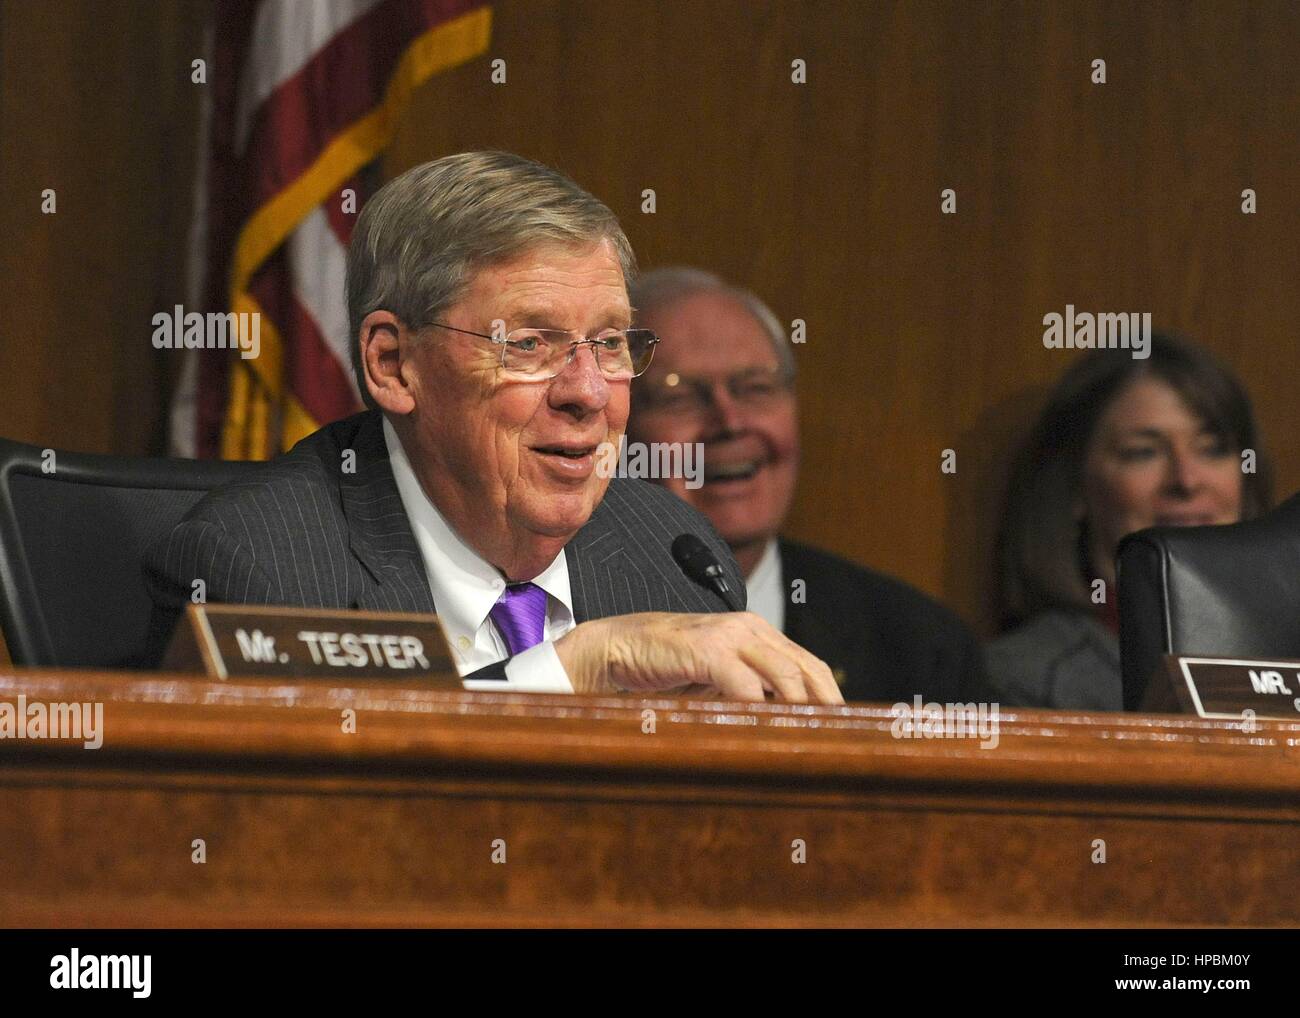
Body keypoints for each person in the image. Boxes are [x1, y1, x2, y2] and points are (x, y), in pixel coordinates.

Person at [143, 152, 841, 705]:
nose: (589, 394)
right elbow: (317, 823)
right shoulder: (260, 562)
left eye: (610, 344)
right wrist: (569, 671)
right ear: (393, 364)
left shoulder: (669, 554)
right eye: (529, 345)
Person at [625, 267, 989, 704]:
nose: (730, 422)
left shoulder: (918, 645)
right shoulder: (554, 621)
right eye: (678, 397)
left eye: (755, 388)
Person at [987, 332, 1271, 710]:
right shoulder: (1023, 681)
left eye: (1212, 449)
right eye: (1143, 452)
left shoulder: (1281, 652)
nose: (1186, 480)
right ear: (1076, 488)